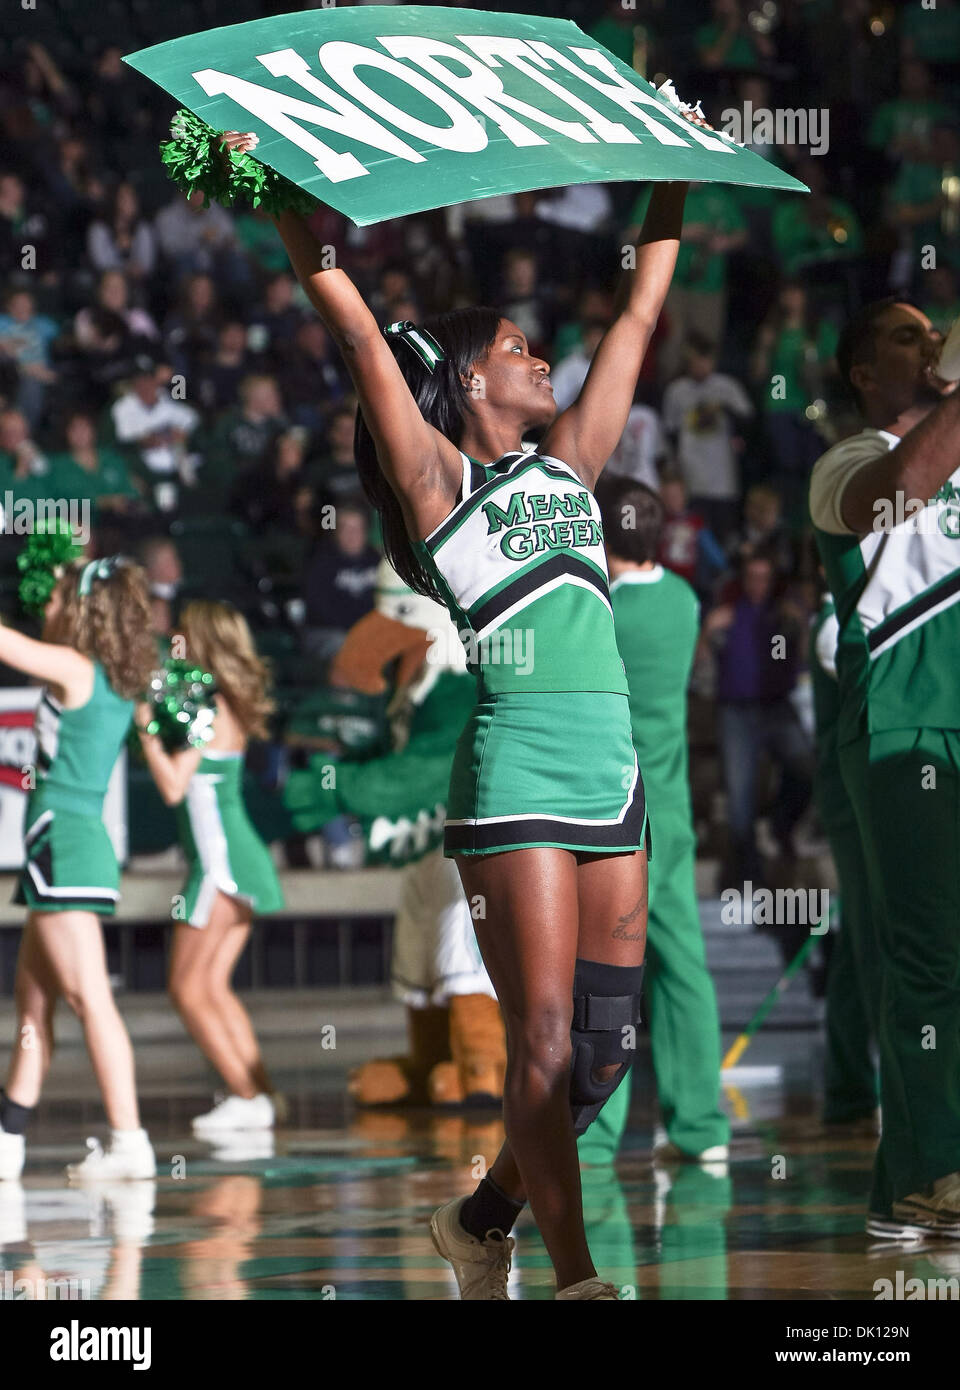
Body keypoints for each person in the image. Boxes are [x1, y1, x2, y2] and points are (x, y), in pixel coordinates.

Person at [219, 117, 691, 1299]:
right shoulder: (440, 484)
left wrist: (675, 172)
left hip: (613, 777)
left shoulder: (574, 463)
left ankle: (481, 1217)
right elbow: (350, 320)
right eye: (524, 350)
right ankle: (574, 1274)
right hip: (517, 775)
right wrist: (270, 187)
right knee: (536, 1040)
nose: (548, 361)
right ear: (472, 377)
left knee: (601, 1053)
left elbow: (638, 313)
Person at [808, 297, 960, 1239]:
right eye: (908, 337)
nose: (932, 343)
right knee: (930, 961)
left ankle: (900, 1181)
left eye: (933, 332)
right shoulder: (847, 461)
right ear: (864, 373)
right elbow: (904, 491)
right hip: (906, 727)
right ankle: (939, 1171)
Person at [578, 479, 729, 1168]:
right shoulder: (684, 601)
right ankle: (701, 1126)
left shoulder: (596, 613)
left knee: (606, 974)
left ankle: (596, 1132)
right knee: (682, 967)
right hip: (671, 810)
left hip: (611, 814)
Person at [0, 555, 158, 1182]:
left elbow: (7, 643)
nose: (48, 606)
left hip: (64, 846)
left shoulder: (76, 669)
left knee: (90, 999)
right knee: (34, 1009)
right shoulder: (121, 678)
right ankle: (7, 1141)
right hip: (65, 848)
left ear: (84, 611)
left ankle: (129, 1142)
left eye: (60, 598)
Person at [136, 600, 283, 1135]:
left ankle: (247, 1097)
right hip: (237, 858)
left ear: (200, 641)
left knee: (187, 991)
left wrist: (146, 731)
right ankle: (260, 1094)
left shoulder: (210, 706)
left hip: (221, 864)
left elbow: (174, 787)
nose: (173, 637)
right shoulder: (217, 701)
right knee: (214, 988)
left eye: (181, 632)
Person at [662, 332, 753, 542]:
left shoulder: (727, 387)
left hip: (723, 475)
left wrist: (725, 408)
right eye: (696, 360)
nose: (701, 365)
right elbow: (670, 432)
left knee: (722, 534)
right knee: (694, 535)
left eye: (705, 359)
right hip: (691, 474)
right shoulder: (676, 390)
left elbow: (749, 422)